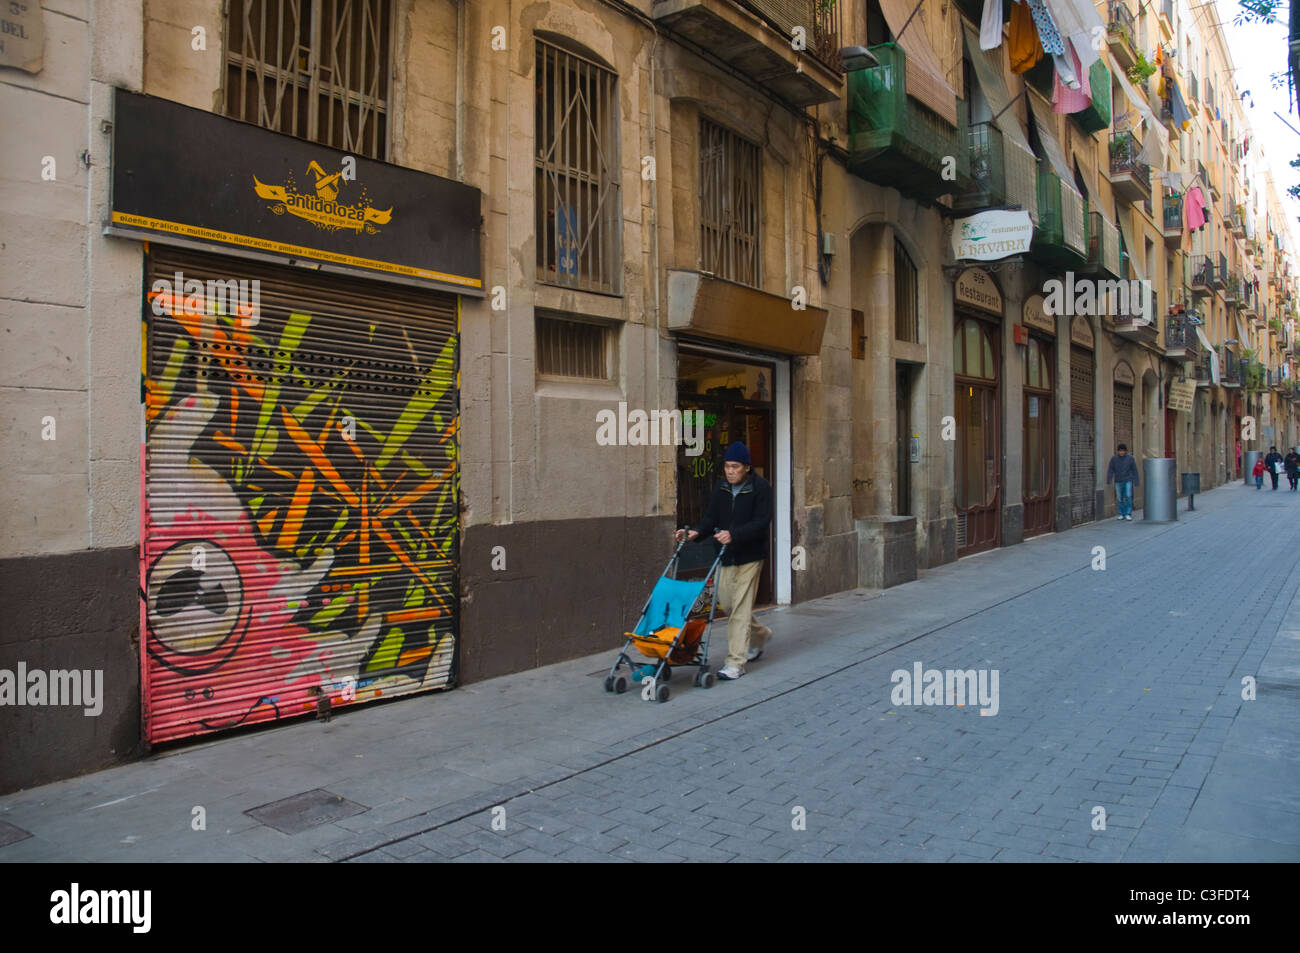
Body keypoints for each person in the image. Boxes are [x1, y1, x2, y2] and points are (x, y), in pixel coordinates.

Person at [675, 442, 773, 681]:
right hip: (725, 555)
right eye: (727, 466)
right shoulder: (721, 488)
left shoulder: (761, 488)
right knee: (729, 606)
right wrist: (696, 533)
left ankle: (735, 663)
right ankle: (760, 635)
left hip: (750, 556)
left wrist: (735, 534)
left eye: (735, 467)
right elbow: (710, 518)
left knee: (739, 609)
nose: (730, 471)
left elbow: (762, 522)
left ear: (747, 467)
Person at [1105, 443, 1140, 521]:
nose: (1121, 452)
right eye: (1120, 451)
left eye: (1123, 451)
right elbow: (1110, 469)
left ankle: (1128, 513)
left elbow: (1134, 470)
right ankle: (1121, 513)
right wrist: (1109, 479)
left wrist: (1136, 481)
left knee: (1128, 496)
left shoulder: (1130, 458)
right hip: (1118, 480)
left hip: (1128, 480)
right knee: (1119, 498)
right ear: (1118, 451)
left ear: (1125, 451)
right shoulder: (1114, 459)